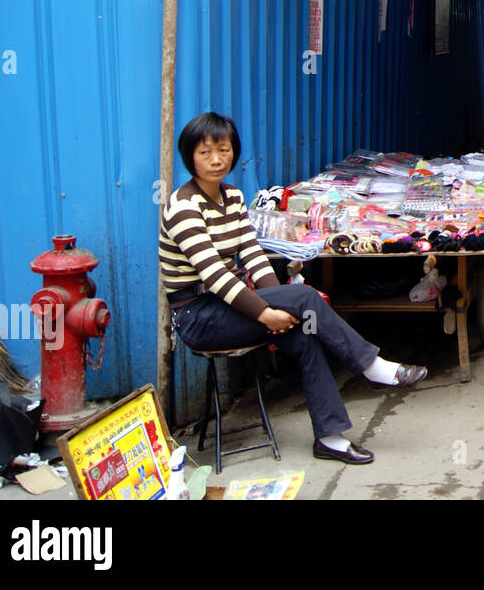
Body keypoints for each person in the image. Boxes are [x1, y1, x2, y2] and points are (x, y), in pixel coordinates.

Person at [162, 112, 427, 466]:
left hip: (230, 306)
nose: (215, 160)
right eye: (205, 152)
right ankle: (371, 366)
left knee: (305, 332)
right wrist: (266, 311)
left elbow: (253, 255)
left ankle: (330, 438)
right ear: (189, 157)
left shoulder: (233, 197)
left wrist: (282, 312)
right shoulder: (183, 206)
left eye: (223, 150)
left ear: (234, 152)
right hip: (199, 315)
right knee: (304, 296)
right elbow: (214, 275)